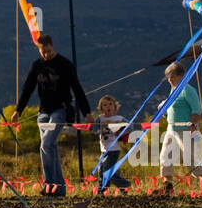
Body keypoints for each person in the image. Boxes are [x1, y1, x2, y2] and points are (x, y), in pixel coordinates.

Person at [16, 35, 91, 197]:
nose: (46, 55)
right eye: (43, 52)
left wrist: (87, 112)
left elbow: (77, 89)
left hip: (60, 111)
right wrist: (18, 111)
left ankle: (49, 184)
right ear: (39, 49)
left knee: (46, 145)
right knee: (50, 148)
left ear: (53, 46)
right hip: (43, 113)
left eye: (49, 51)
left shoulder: (65, 64)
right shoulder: (37, 66)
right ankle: (60, 189)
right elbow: (27, 89)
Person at [158, 61, 202, 194]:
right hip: (171, 129)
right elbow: (174, 108)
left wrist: (193, 126)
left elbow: (196, 110)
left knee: (190, 159)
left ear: (181, 76)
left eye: (173, 76)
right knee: (165, 156)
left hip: (185, 129)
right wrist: (163, 109)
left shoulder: (188, 90)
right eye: (168, 77)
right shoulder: (173, 90)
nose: (170, 79)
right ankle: (168, 184)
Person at [91, 94, 133, 191]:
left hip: (114, 149)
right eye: (105, 105)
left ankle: (124, 185)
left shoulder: (119, 118)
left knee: (107, 170)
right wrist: (101, 127)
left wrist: (118, 127)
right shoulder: (100, 119)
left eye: (110, 104)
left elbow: (130, 127)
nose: (108, 107)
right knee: (101, 170)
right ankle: (103, 189)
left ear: (115, 107)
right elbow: (94, 130)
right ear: (101, 108)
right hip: (103, 149)